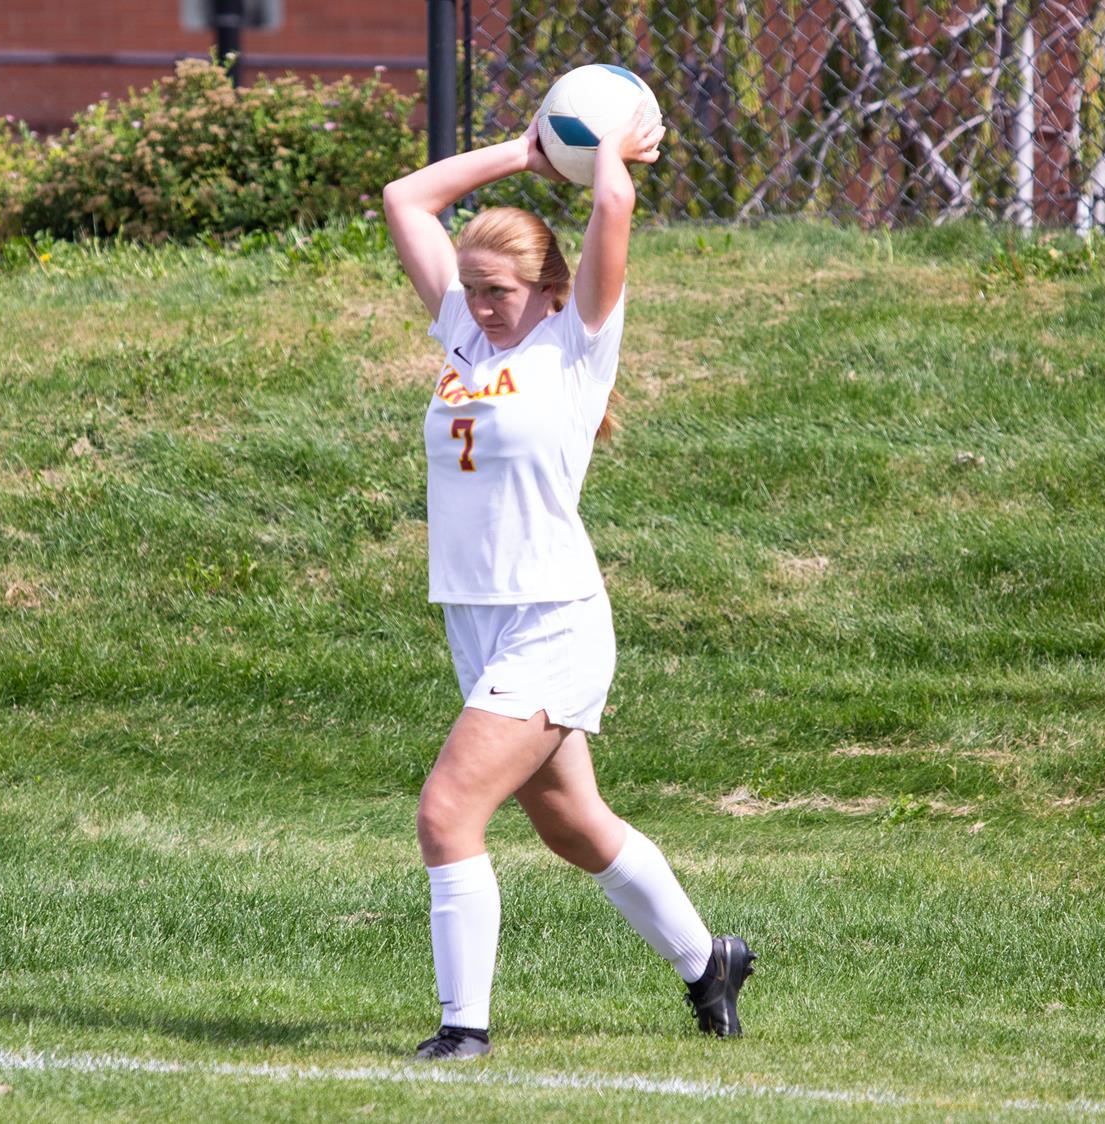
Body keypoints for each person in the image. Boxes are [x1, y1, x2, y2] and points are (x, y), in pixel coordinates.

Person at [378, 109, 755, 1061]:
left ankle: (463, 1031)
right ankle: (710, 960)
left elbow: (614, 204)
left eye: (500, 289)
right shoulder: (469, 332)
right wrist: (524, 152)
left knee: (447, 813)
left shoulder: (574, 341)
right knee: (572, 823)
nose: (481, 305)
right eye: (470, 290)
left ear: (547, 287)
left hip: (552, 616)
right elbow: (405, 198)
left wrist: (602, 153)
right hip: (473, 615)